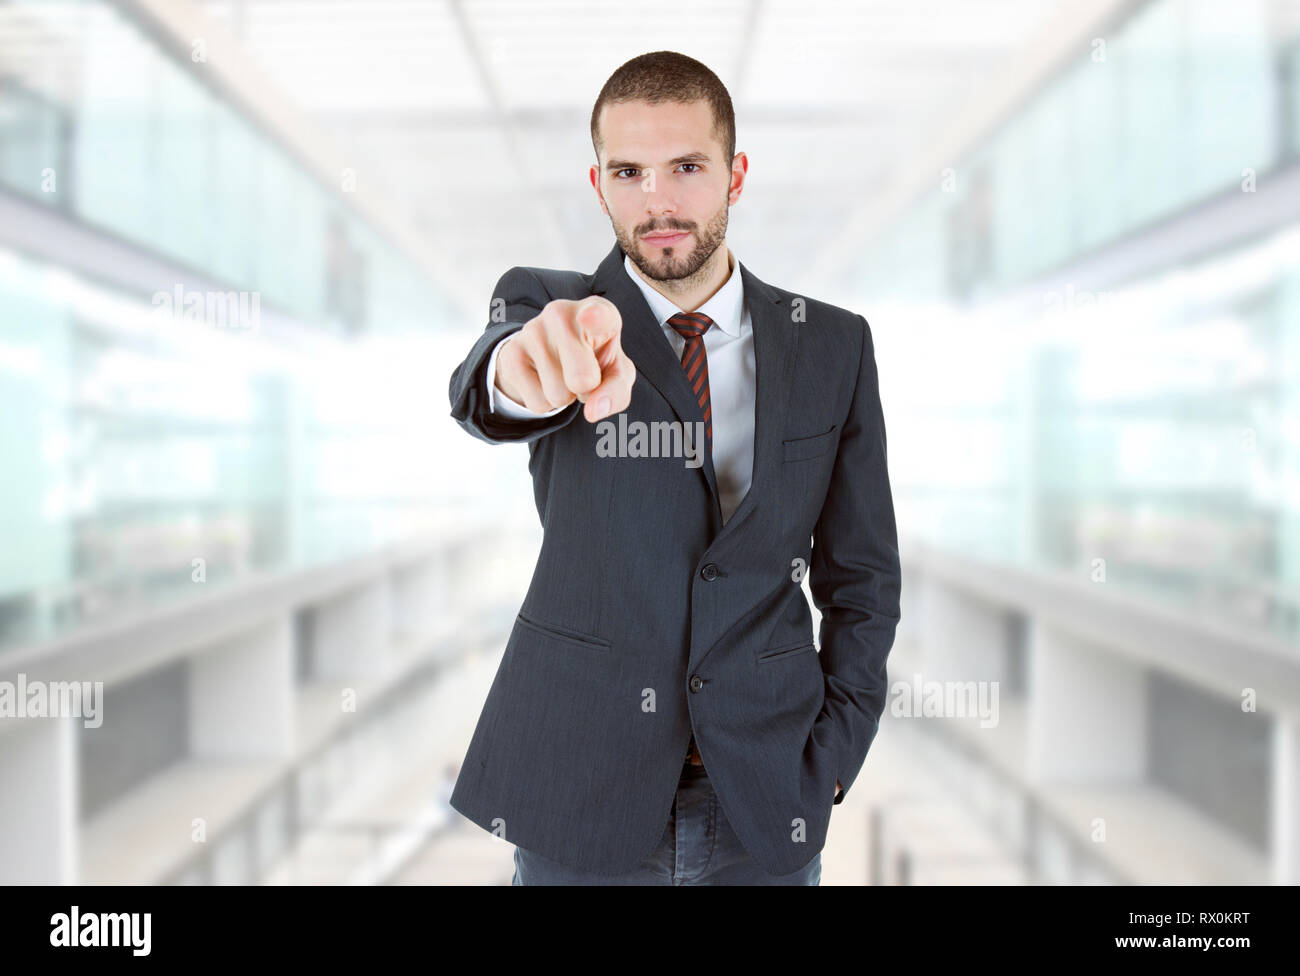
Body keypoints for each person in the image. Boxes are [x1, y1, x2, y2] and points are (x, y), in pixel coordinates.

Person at [447, 50, 900, 885]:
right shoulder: (556, 309)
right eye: (629, 171)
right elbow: (494, 380)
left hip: (765, 801)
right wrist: (525, 368)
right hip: (579, 799)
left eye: (687, 167)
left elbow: (863, 580)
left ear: (736, 175)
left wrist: (834, 756)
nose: (657, 201)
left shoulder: (833, 345)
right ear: (599, 185)